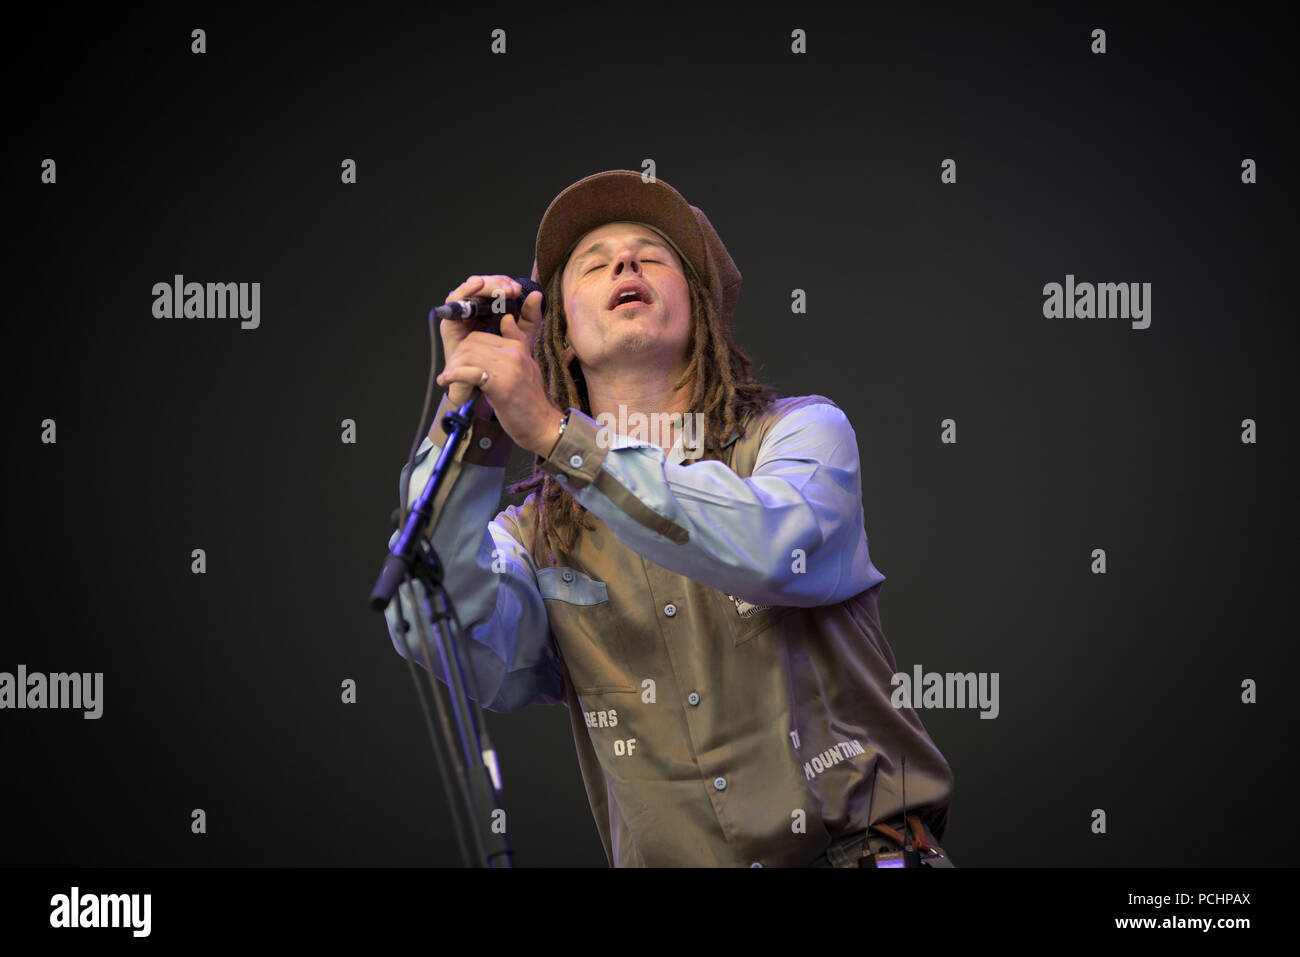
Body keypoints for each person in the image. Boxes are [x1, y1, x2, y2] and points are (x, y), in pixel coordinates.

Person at [383, 169, 956, 867]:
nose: (623, 262)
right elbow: (440, 620)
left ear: (700, 311)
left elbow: (775, 548)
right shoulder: (534, 536)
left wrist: (560, 435)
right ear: (559, 338)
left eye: (651, 255)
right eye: (593, 263)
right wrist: (473, 427)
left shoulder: (802, 435)